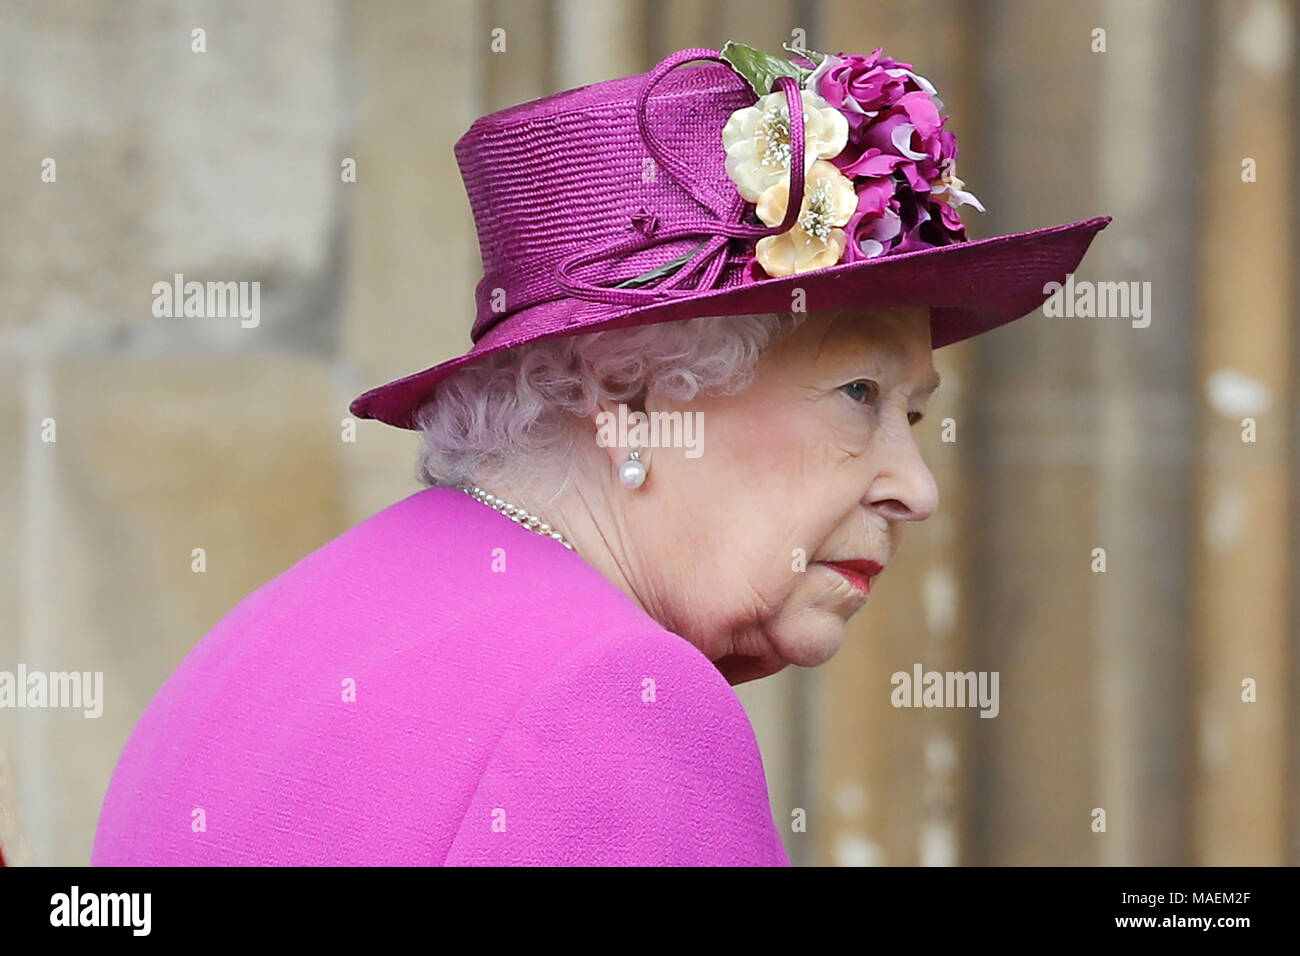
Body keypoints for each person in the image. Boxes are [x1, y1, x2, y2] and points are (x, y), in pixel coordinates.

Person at [93, 44, 1108, 866]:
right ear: (627, 397)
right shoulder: (615, 698)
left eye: (914, 416)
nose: (914, 487)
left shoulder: (282, 625)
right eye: (857, 395)